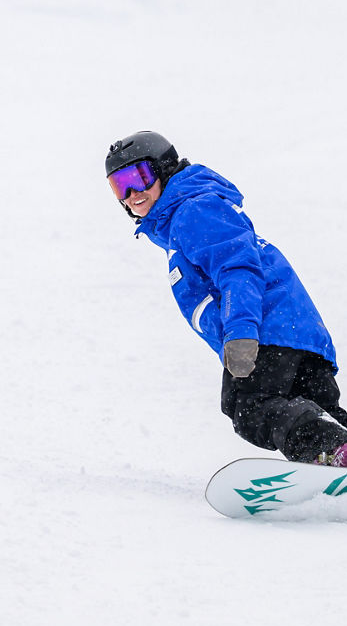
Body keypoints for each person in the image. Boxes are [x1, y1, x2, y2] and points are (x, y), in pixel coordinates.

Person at [105, 130, 347, 466]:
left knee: (249, 405)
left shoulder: (193, 211)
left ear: (163, 169)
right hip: (298, 334)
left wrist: (240, 331)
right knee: (318, 412)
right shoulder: (193, 212)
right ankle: (338, 453)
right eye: (119, 186)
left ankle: (333, 452)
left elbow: (238, 270)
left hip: (266, 332)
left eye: (138, 177)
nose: (131, 194)